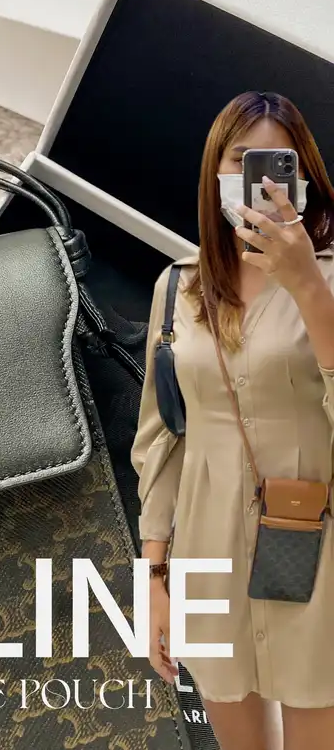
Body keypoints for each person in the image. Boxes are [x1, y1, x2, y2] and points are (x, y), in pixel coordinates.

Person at [130, 91, 334, 750]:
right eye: (241, 159)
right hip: (207, 552)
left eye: (280, 162)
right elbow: (164, 440)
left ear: (304, 177)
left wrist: (308, 286)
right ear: (214, 172)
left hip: (319, 550)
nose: (259, 177)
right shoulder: (178, 287)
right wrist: (154, 579)